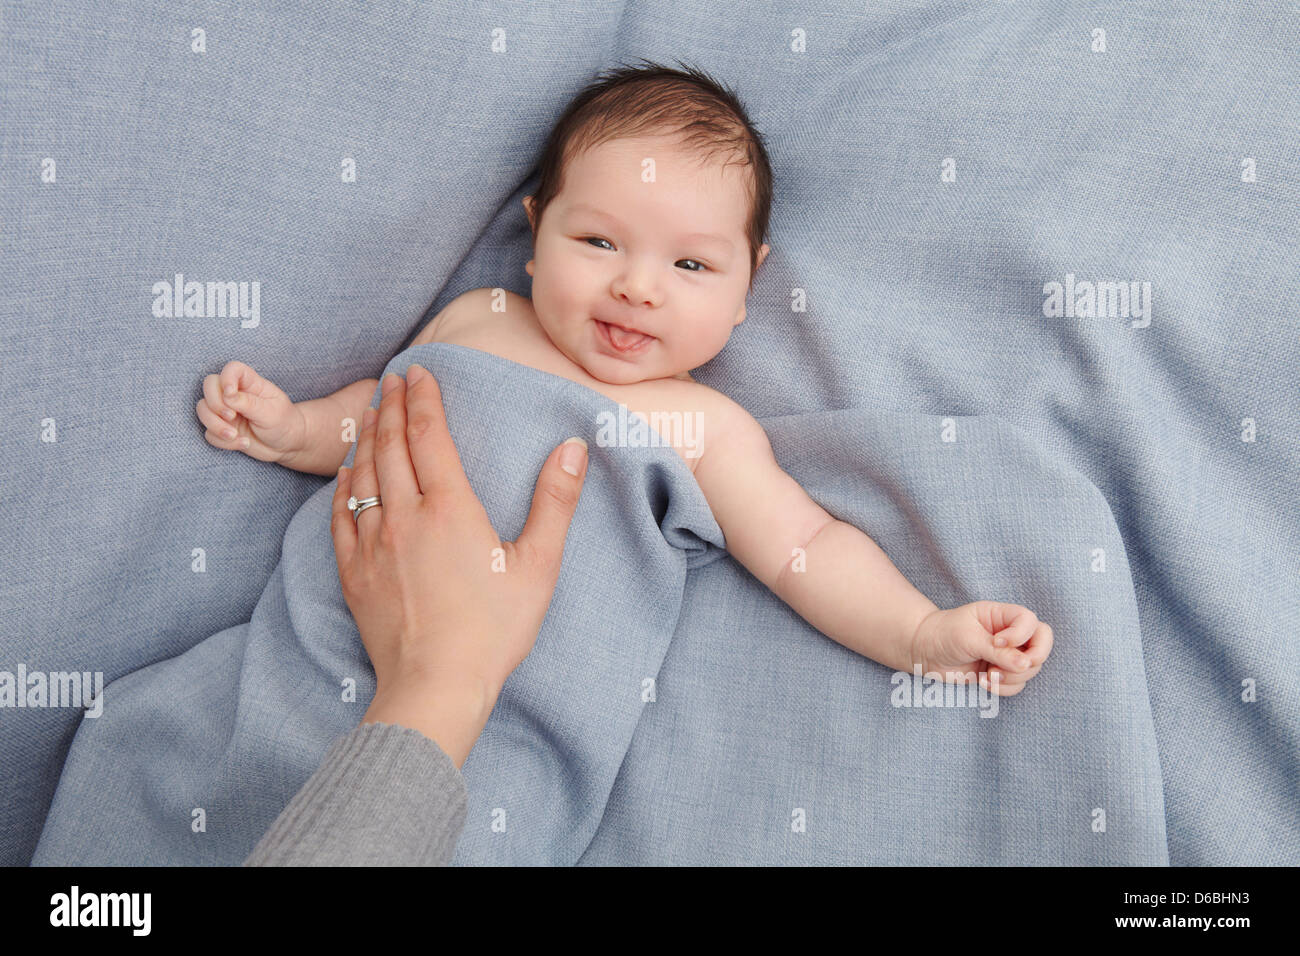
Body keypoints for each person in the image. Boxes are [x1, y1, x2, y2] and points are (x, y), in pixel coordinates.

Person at [244, 364, 589, 866]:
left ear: (740, 306)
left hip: (502, 732)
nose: (636, 286)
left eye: (693, 276)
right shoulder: (474, 320)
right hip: (318, 659)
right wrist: (299, 432)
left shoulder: (707, 423)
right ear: (531, 276)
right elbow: (379, 419)